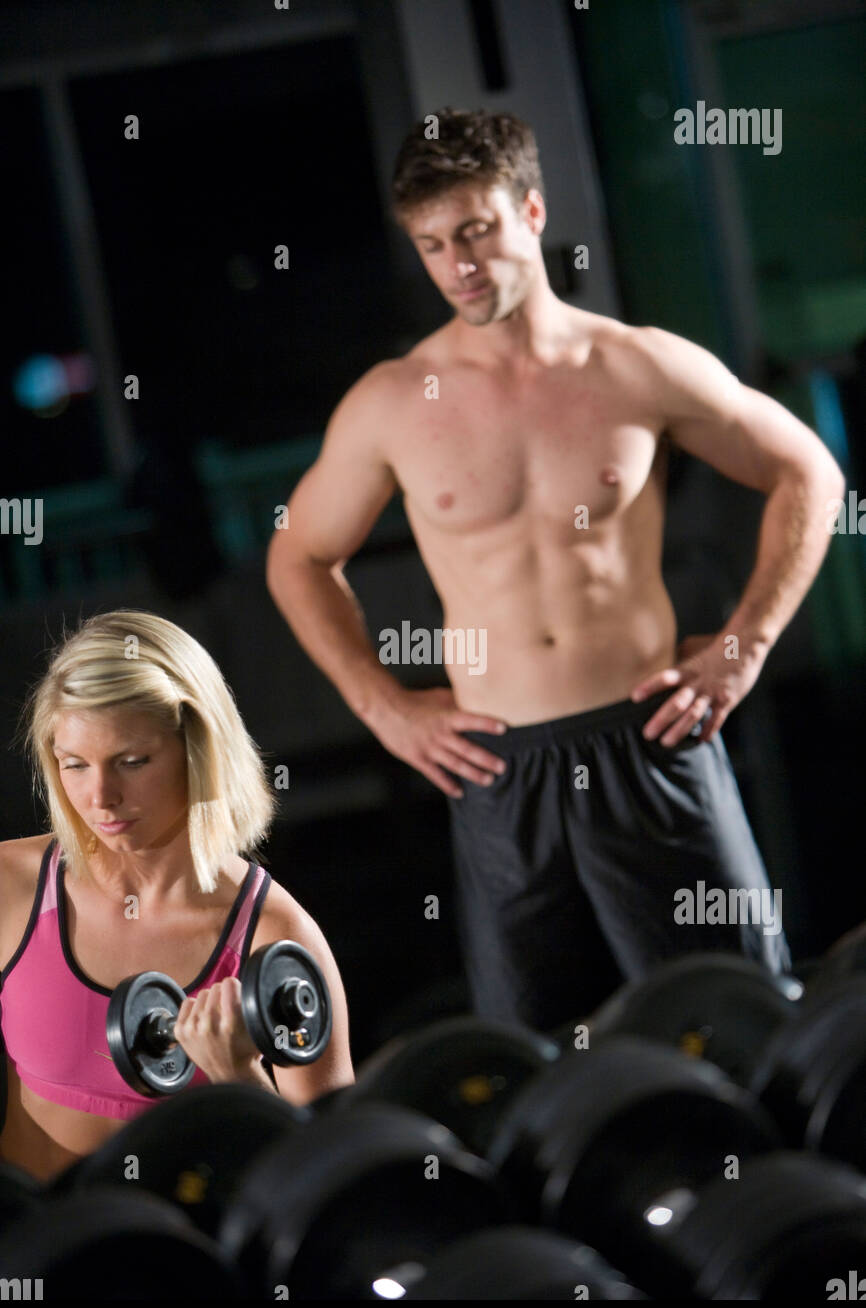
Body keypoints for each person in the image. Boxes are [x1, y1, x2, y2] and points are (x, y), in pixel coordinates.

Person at [266, 108, 845, 1032]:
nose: (459, 263)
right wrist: (381, 704)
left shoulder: (635, 364)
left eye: (477, 230)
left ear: (532, 213)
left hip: (651, 739)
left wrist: (747, 643)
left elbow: (809, 471)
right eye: (432, 244)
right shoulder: (392, 404)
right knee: (542, 1056)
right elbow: (298, 554)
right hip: (501, 768)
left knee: (742, 1024)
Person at [0, 610, 354, 1181]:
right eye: (75, 765)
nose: (101, 797)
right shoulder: (11, 885)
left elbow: (333, 1176)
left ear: (199, 750)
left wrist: (239, 1076)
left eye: (132, 762)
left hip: (187, 1259)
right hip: (42, 1252)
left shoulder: (276, 938)